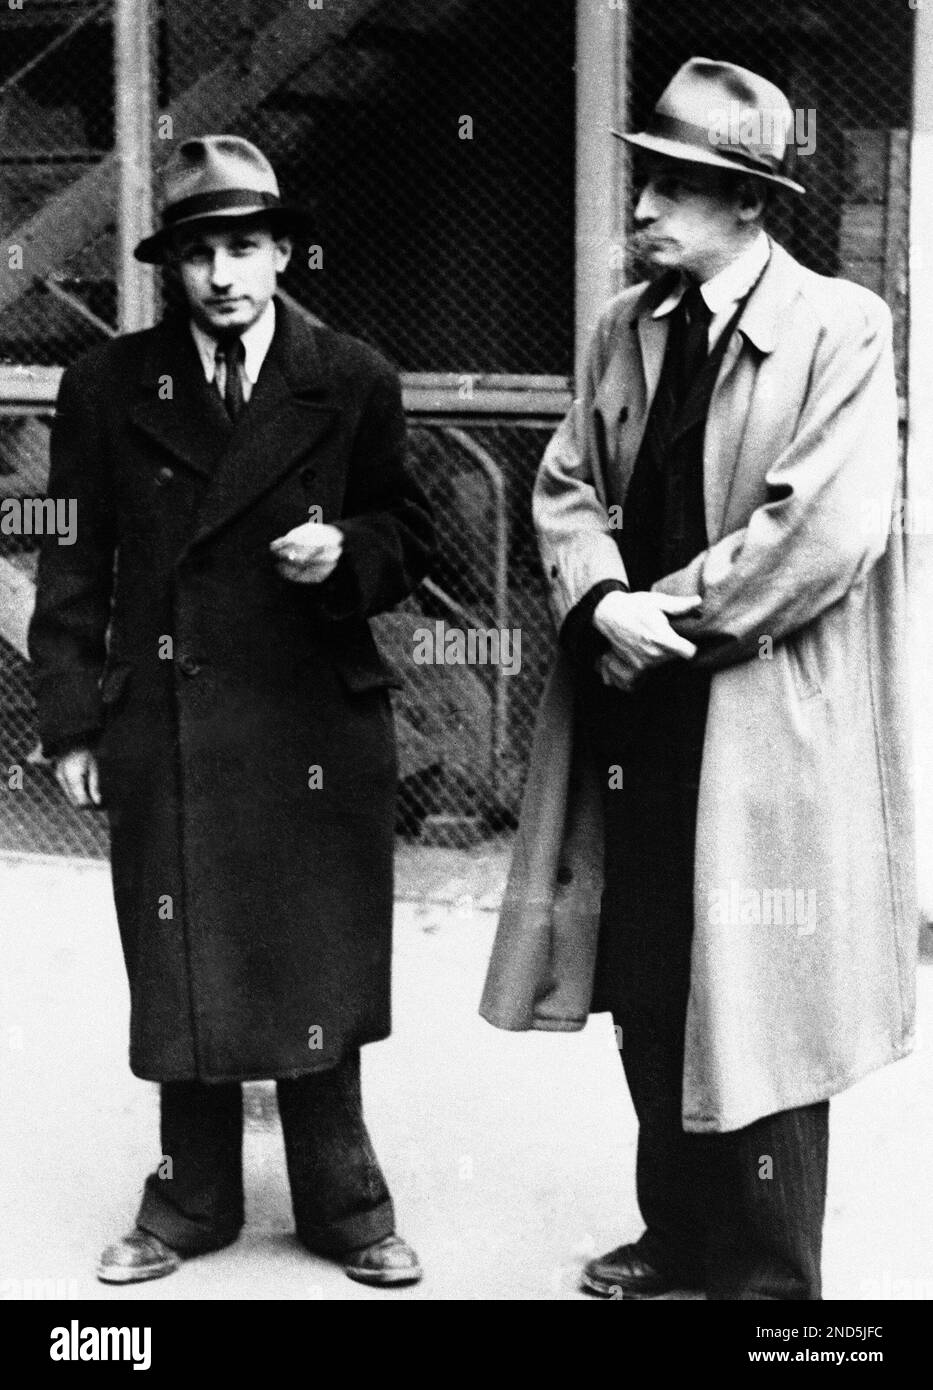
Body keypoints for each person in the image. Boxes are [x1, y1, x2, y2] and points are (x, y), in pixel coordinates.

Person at [481, 59, 916, 1300]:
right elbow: (566, 484)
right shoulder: (625, 326)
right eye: (648, 177)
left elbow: (823, 534)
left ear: (750, 205)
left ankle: (772, 1286)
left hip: (762, 719)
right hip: (636, 713)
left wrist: (652, 615)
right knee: (650, 973)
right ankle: (676, 1236)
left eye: (679, 186)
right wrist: (598, 598)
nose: (644, 207)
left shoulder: (842, 326)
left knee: (763, 991)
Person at [29, 134, 436, 1288]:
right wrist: (71, 721)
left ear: (281, 251)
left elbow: (411, 535)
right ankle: (189, 1200)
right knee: (180, 947)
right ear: (173, 265)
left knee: (315, 951)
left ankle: (347, 1203)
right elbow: (73, 560)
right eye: (199, 252)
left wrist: (344, 552)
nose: (222, 275)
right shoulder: (108, 385)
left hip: (312, 718)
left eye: (244, 247)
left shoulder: (352, 375)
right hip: (166, 707)